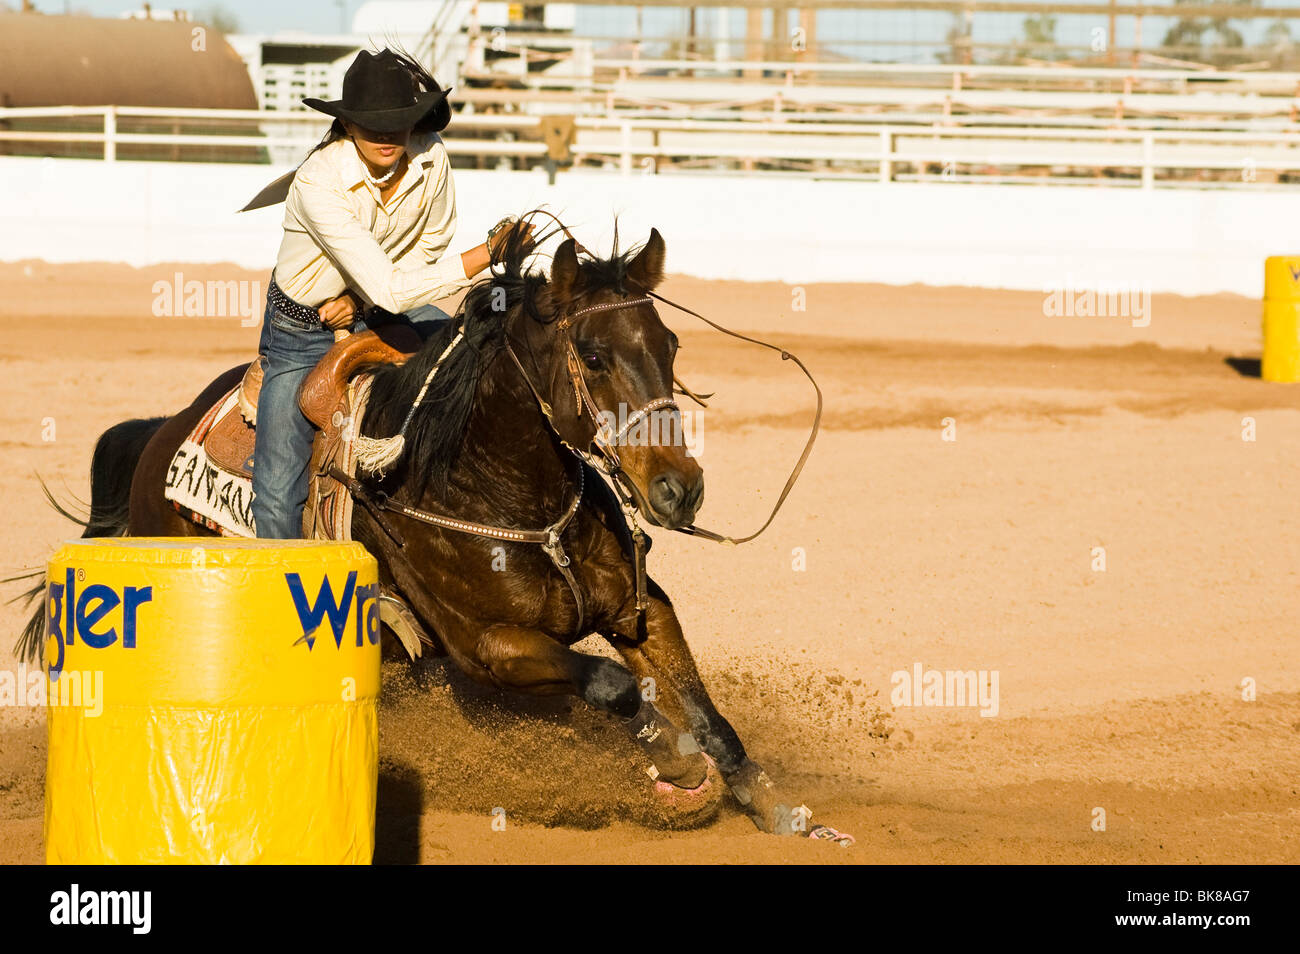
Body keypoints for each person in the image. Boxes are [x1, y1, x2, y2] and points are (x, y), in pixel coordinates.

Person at [243, 48, 532, 539]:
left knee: (478, 362)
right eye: (370, 123)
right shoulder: (319, 180)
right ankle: (288, 595)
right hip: (301, 331)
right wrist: (486, 254)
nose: (385, 135)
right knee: (275, 489)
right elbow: (396, 287)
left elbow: (429, 247)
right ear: (347, 125)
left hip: (372, 306)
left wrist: (358, 303)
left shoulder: (431, 157)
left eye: (396, 121)